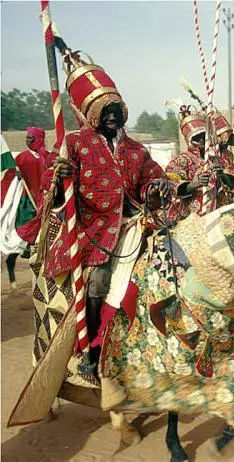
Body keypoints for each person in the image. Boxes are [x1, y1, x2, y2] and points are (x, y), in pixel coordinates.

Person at [44, 48, 169, 371]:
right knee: (98, 281)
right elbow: (52, 187)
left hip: (136, 224)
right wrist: (61, 178)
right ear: (91, 114)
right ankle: (95, 349)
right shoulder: (74, 144)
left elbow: (151, 180)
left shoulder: (136, 149)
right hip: (93, 230)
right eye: (105, 110)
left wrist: (164, 189)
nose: (112, 115)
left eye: (116, 109)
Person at [165, 106, 220, 222]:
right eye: (197, 137)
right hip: (191, 216)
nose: (201, 140)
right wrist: (195, 184)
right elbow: (171, 182)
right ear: (190, 139)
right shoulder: (183, 159)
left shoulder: (213, 159)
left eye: (203, 136)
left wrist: (221, 176)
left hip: (214, 213)